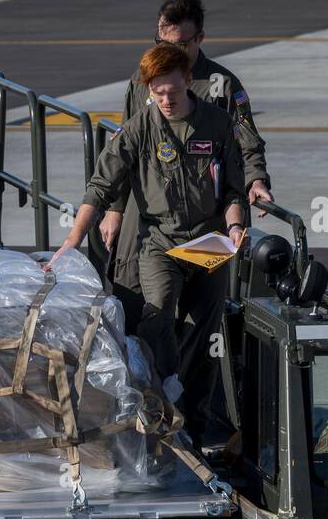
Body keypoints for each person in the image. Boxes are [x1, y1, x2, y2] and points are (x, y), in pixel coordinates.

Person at [47, 43, 245, 439]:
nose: (165, 100)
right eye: (157, 93)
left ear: (188, 82)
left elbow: (233, 192)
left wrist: (236, 227)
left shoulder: (218, 126)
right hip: (161, 243)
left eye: (172, 91)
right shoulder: (140, 128)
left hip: (209, 243)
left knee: (204, 334)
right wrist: (70, 243)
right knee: (157, 313)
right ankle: (159, 400)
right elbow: (100, 186)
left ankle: (196, 422)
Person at [99, 0, 272, 327]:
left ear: (200, 39)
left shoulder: (221, 86)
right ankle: (149, 375)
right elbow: (124, 148)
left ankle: (188, 379)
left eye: (178, 46)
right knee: (135, 296)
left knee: (200, 318)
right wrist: (115, 208)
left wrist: (257, 180)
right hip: (147, 208)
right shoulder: (142, 80)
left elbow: (246, 141)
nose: (167, 53)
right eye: (160, 42)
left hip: (204, 216)